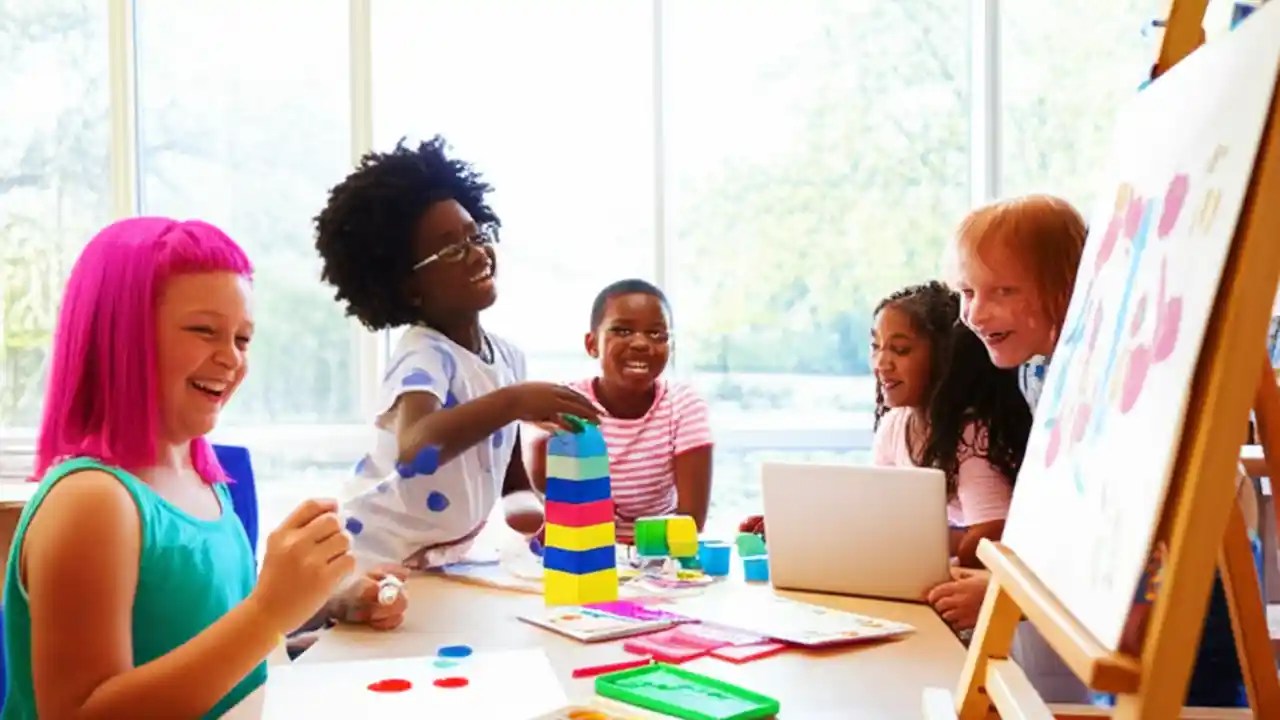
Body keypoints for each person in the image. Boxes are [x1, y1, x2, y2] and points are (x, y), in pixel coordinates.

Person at [4, 218, 404, 719]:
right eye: (204, 331)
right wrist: (268, 613)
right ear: (121, 336)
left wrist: (317, 602)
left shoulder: (203, 480)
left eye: (242, 339)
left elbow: (195, 627)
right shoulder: (94, 502)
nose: (231, 359)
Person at [934, 193, 1245, 706]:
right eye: (967, 291)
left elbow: (1111, 515)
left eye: (1003, 290)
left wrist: (1007, 594)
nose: (976, 312)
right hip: (1111, 586)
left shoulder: (1112, 379)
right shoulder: (1038, 371)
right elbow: (1064, 501)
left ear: (1069, 288)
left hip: (1177, 573)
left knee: (1184, 695)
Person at [314, 137, 599, 573]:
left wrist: (536, 519)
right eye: (451, 249)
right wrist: (514, 402)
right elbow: (416, 452)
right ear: (408, 288)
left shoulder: (508, 358)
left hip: (432, 558)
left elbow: (509, 476)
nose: (477, 253)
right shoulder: (424, 355)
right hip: (365, 552)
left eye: (477, 235)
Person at [740, 281, 1030, 568]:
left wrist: (927, 541)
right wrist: (795, 527)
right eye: (876, 346)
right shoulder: (895, 426)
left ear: (947, 360)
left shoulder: (970, 435)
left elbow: (993, 536)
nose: (881, 362)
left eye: (900, 350)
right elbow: (877, 517)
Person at [526, 279, 713, 539]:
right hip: (583, 554)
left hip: (656, 558)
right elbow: (543, 496)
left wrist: (632, 551)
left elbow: (691, 522)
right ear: (592, 344)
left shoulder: (683, 405)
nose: (641, 343)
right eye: (623, 331)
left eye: (656, 334)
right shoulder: (565, 403)